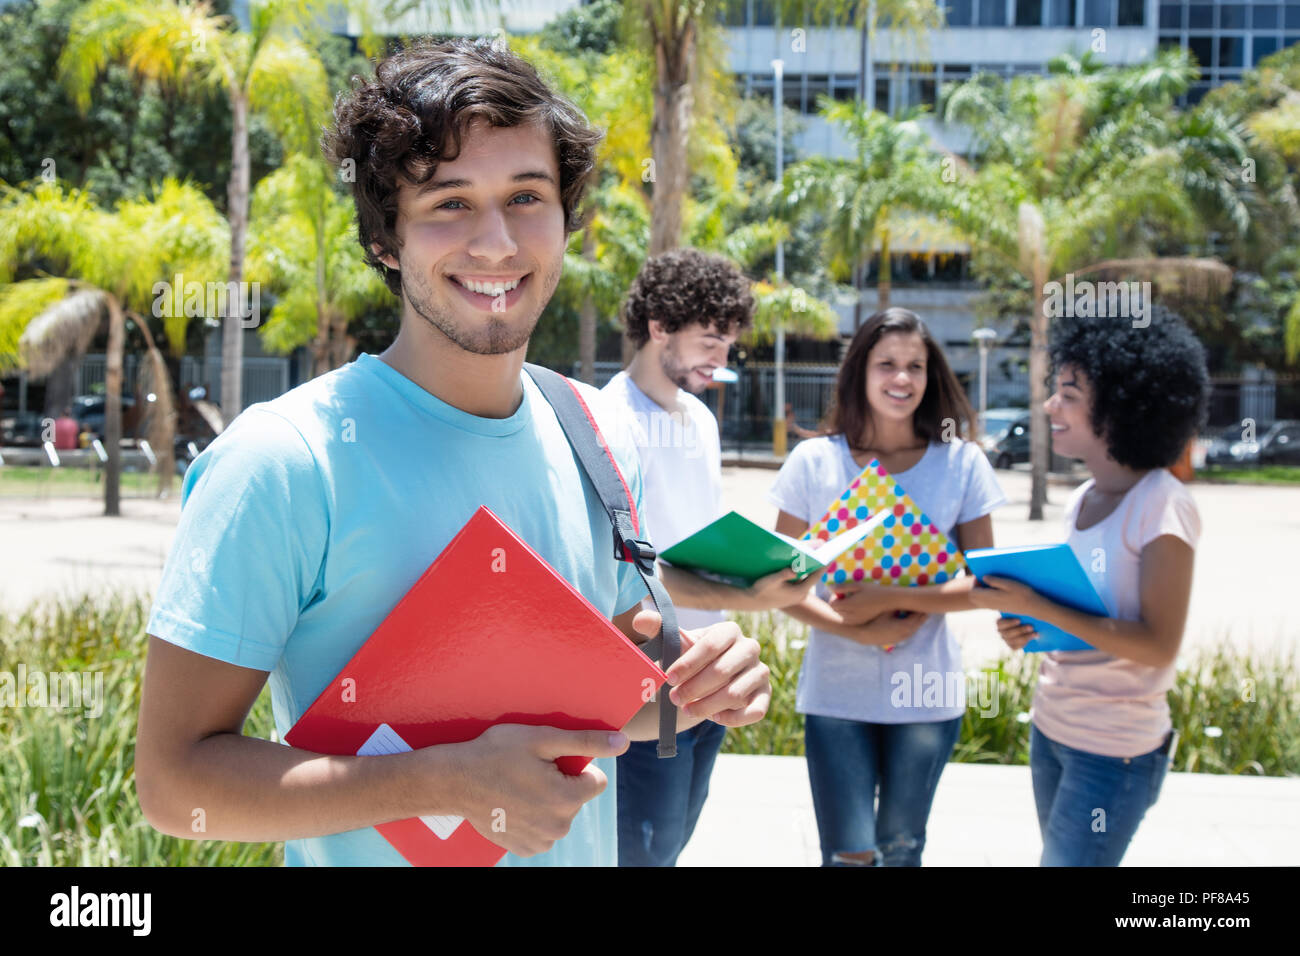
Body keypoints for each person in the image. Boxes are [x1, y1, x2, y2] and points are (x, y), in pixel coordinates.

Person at [134, 38, 770, 867]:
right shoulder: (286, 459)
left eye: (527, 196)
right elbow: (176, 786)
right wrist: (437, 782)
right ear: (385, 241)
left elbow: (604, 714)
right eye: (449, 203)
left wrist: (697, 690)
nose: (498, 243)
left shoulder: (595, 433)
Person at [767, 307, 1007, 866]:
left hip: (926, 696)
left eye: (915, 366)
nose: (902, 379)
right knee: (849, 856)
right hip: (836, 695)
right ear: (860, 371)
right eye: (887, 364)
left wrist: (892, 599)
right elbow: (778, 583)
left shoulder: (962, 464)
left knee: (901, 851)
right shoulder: (813, 462)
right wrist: (851, 626)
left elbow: (986, 583)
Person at [970, 305, 1206, 866]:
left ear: (1123, 406)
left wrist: (1038, 602)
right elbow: (1084, 612)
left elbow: (1157, 644)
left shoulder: (1164, 505)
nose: (1050, 405)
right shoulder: (1082, 499)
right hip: (1053, 728)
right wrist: (1027, 623)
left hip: (1114, 751)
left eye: (1069, 393)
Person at [602, 248, 816, 866]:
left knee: (671, 846)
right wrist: (747, 596)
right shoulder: (607, 419)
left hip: (711, 670)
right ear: (659, 327)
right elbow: (619, 576)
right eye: (710, 341)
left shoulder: (699, 417)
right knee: (643, 852)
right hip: (648, 678)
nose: (722, 359)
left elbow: (702, 536)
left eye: (729, 344)